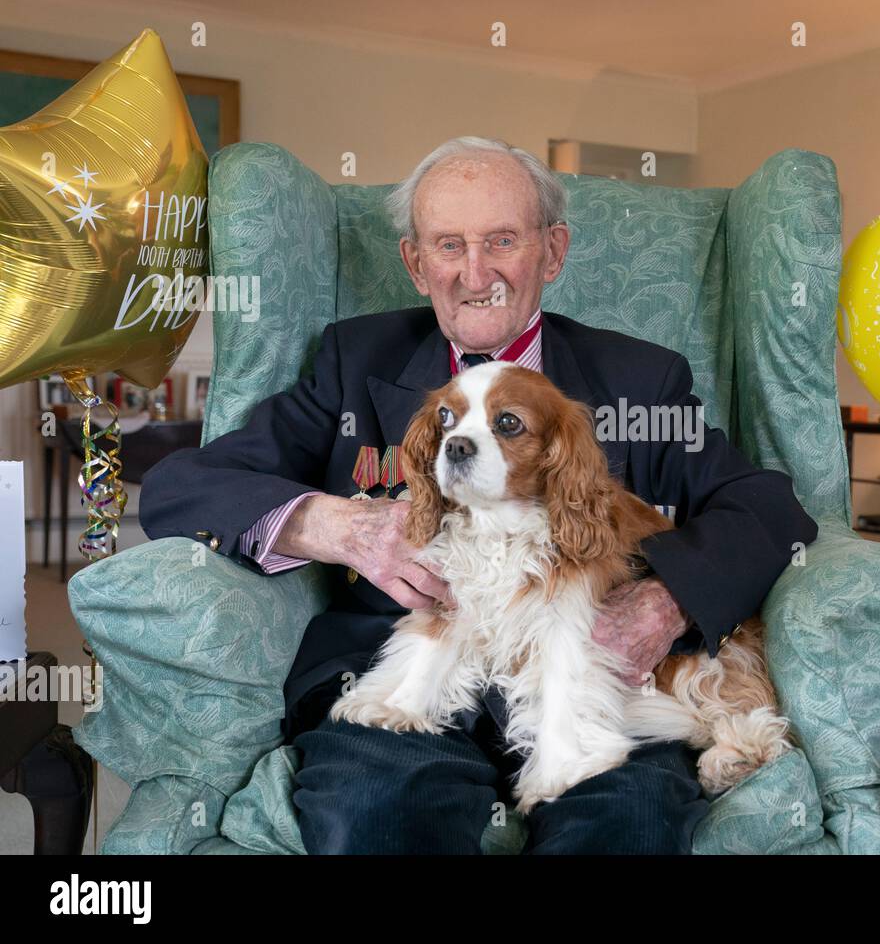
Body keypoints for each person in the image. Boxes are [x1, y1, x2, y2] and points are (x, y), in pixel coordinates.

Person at [139, 136, 817, 853]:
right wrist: (334, 525)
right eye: (448, 245)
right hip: (404, 678)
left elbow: (770, 509)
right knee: (371, 819)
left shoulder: (640, 379)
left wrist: (663, 602)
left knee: (630, 831)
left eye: (502, 241)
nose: (475, 272)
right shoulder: (353, 359)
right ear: (416, 262)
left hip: (601, 687)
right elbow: (185, 486)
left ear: (551, 252)